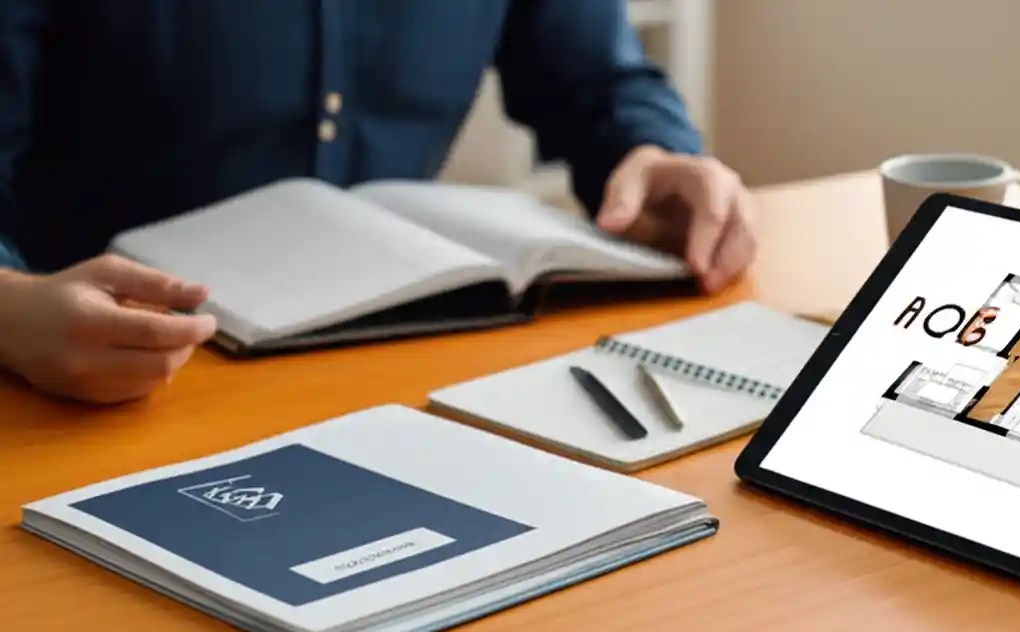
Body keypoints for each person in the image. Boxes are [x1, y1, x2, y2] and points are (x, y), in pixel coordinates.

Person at [0, 2, 757, 404]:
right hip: (102, 388)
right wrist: (9, 310)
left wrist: (654, 155)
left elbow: (598, 81)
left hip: (404, 372)